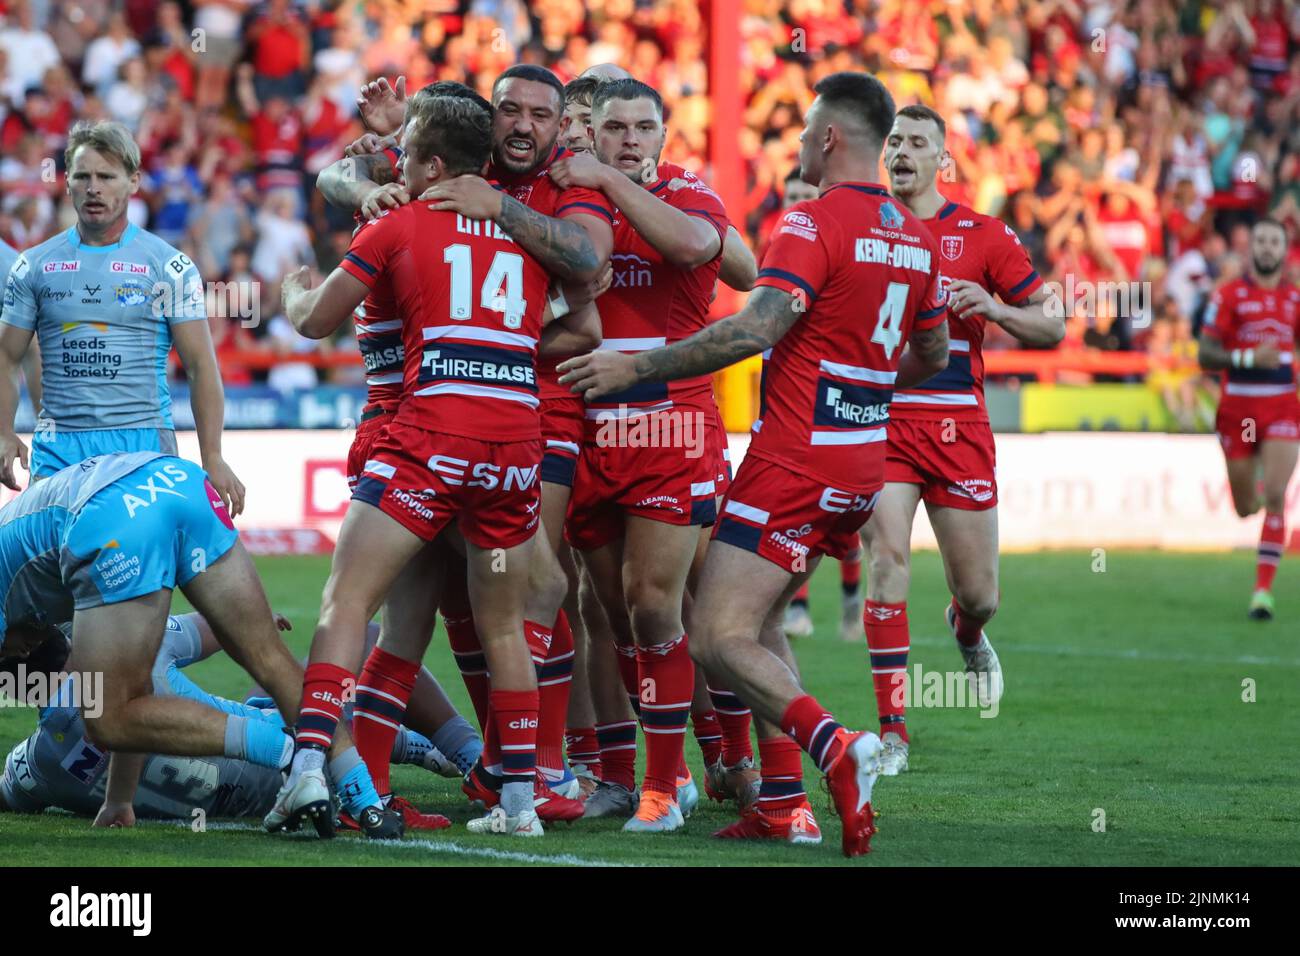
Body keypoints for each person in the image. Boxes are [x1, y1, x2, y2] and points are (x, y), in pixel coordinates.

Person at [559, 72, 950, 856]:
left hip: (792, 462)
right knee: (763, 622)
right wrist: (864, 387)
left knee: (712, 634)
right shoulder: (916, 235)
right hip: (857, 465)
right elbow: (932, 354)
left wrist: (637, 369)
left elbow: (753, 330)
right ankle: (780, 801)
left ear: (830, 137)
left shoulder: (809, 223)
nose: (799, 142)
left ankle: (836, 745)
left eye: (808, 129)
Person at [280, 94, 572, 837]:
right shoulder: (530, 233)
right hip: (512, 450)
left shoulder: (397, 224)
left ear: (431, 164)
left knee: (352, 605)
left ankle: (312, 770)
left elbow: (316, 319)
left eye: (404, 154)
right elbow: (585, 311)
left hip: (422, 435)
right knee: (501, 625)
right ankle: (519, 801)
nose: (393, 166)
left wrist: (286, 291)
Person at [0, 451, 400, 838]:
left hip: (107, 521)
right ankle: (367, 801)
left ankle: (288, 752)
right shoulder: (21, 567)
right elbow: (138, 686)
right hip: (176, 481)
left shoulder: (18, 620)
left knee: (105, 717)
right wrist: (119, 800)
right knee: (270, 659)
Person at [858, 104, 1062, 775]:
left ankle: (966, 629)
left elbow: (1052, 324)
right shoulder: (860, 224)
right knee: (885, 563)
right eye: (894, 141)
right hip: (884, 416)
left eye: (918, 142)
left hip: (958, 423)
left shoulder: (980, 233)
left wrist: (996, 307)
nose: (903, 152)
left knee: (981, 595)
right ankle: (893, 733)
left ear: (942, 160)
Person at [0, 613, 476, 825]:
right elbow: (215, 627)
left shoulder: (36, 765)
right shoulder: (132, 648)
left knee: (264, 702)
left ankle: (420, 750)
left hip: (238, 799)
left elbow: (8, 794)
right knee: (369, 638)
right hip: (304, 764)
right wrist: (256, 619)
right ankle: (467, 755)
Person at [0, 121, 243, 519]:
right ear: (67, 184)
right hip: (59, 450)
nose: (93, 187)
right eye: (82, 176)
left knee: (145, 577)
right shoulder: (34, 266)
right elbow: (6, 356)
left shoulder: (169, 266)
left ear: (133, 182)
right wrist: (4, 431)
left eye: (106, 176)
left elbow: (201, 366)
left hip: (143, 445)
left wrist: (212, 456)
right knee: (54, 577)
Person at [1198, 218, 1300, 620]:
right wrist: (1246, 358)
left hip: (1281, 406)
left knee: (1276, 495)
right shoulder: (1228, 296)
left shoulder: (1295, 299)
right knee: (1245, 507)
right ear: (1251, 248)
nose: (1268, 248)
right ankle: (1254, 490)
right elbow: (1205, 355)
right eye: (1261, 240)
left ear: (1285, 248)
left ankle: (1262, 592)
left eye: (1275, 241)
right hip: (1238, 408)